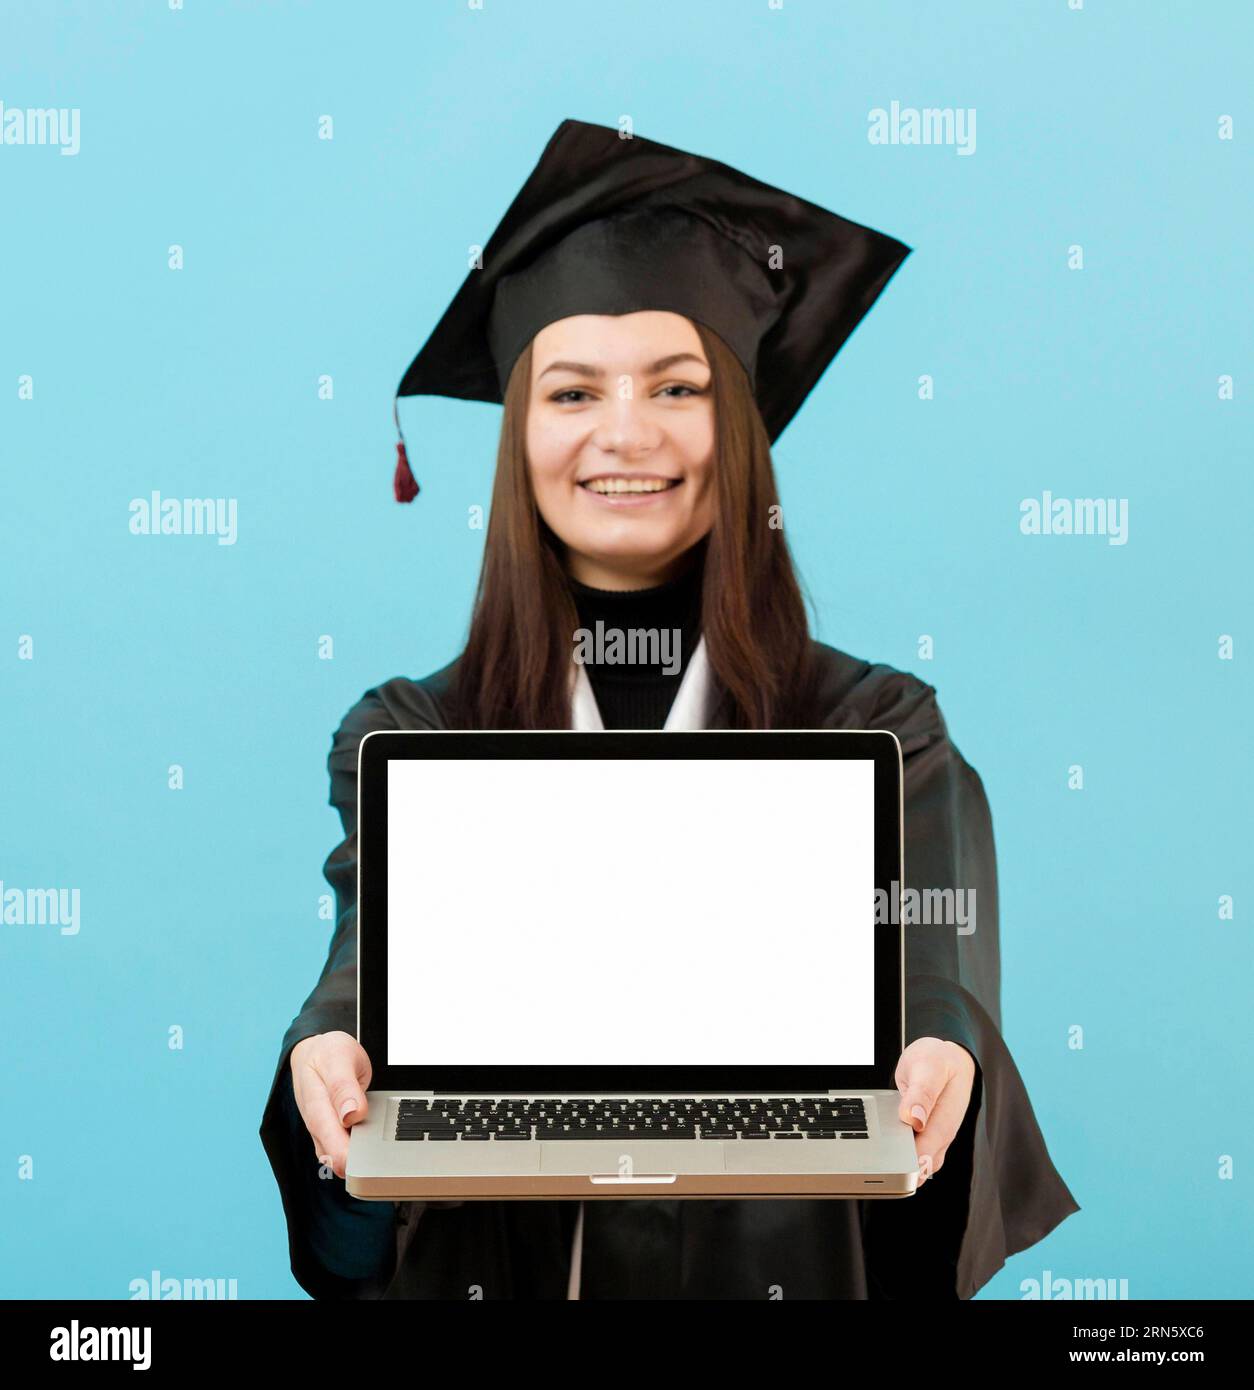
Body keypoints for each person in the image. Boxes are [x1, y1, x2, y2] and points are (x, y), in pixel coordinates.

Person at [259, 119, 1079, 1300]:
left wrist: (940, 1053)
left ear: (735, 427)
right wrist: (329, 1056)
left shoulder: (879, 726)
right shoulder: (417, 730)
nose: (626, 432)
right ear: (521, 434)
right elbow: (369, 965)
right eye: (573, 388)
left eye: (678, 385)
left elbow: (933, 975)